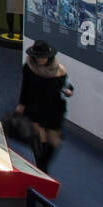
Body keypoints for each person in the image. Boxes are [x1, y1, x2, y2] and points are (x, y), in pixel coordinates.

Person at [16, 40, 72, 172]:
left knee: (53, 143)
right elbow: (25, 87)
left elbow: (67, 86)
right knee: (38, 140)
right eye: (38, 57)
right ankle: (42, 170)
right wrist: (22, 104)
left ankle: (42, 166)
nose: (40, 60)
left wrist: (69, 91)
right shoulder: (29, 68)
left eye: (43, 57)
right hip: (35, 107)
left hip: (54, 110)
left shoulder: (60, 70)